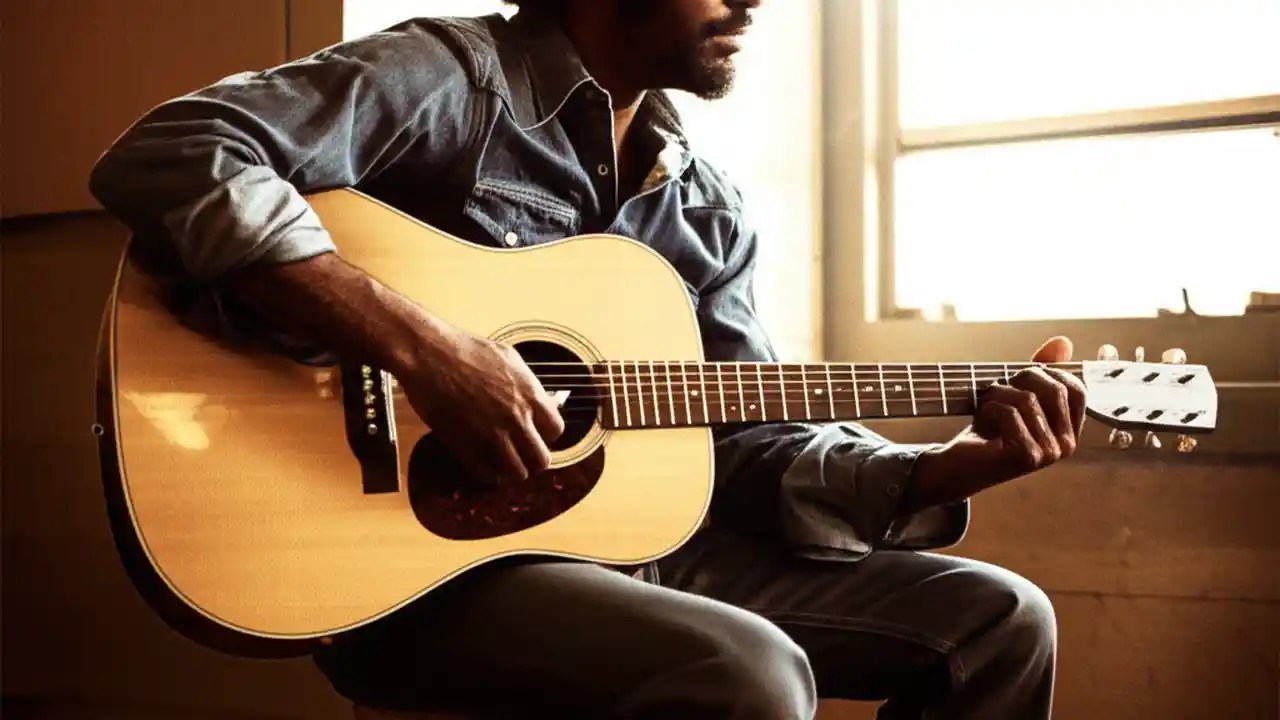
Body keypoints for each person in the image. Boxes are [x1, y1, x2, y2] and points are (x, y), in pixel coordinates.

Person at [89, 1, 1087, 717]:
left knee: (998, 621)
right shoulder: (450, 78)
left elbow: (746, 450)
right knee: (750, 675)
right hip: (431, 574)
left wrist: (948, 468)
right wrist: (426, 349)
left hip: (645, 555)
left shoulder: (703, 203)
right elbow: (176, 150)